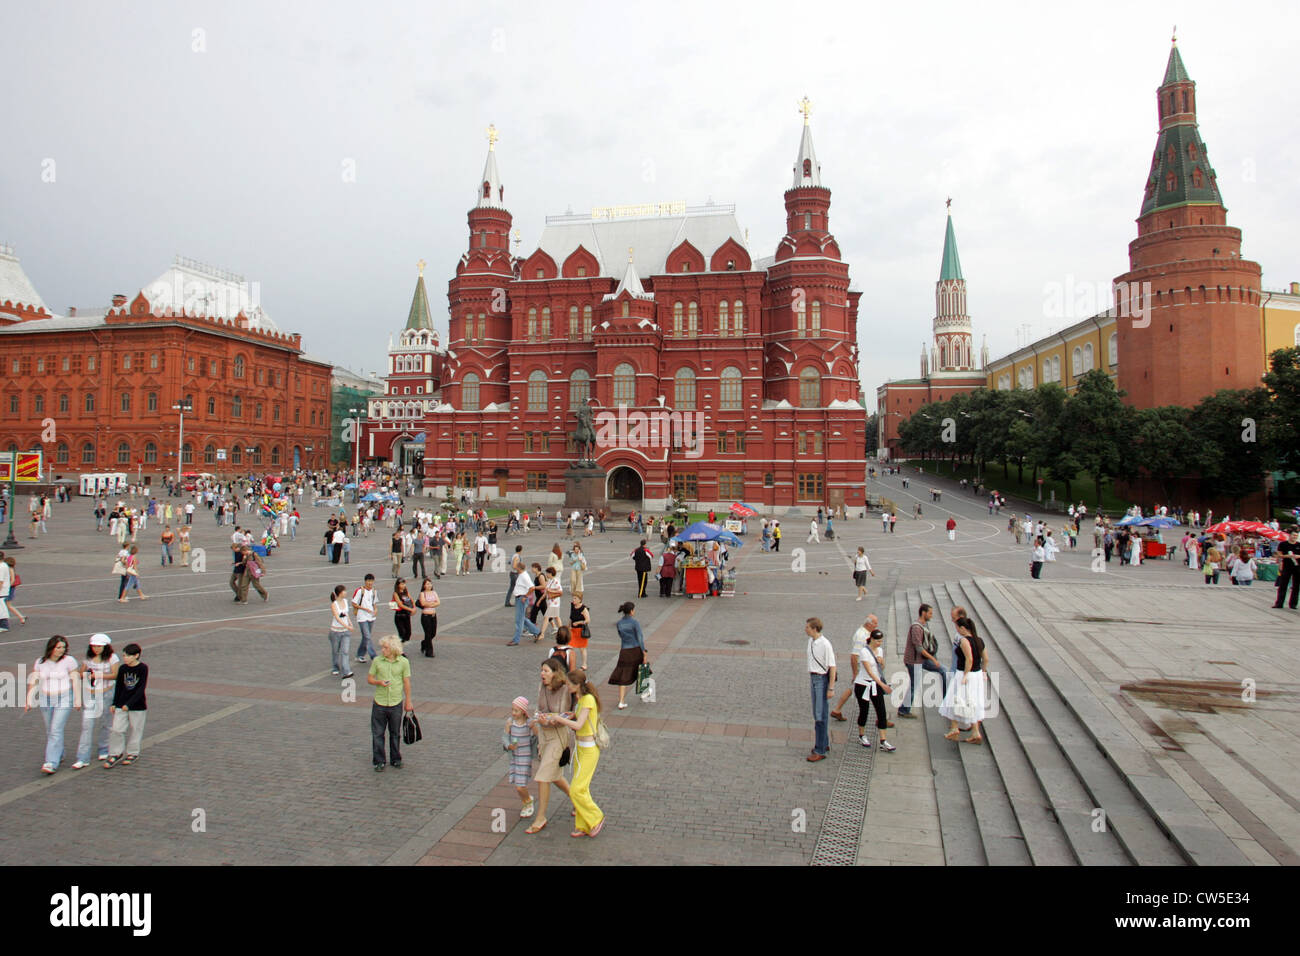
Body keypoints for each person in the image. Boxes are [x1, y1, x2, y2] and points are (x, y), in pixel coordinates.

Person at [547, 667, 605, 837]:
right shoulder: (581, 699)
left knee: (576, 789)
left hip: (589, 750)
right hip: (580, 748)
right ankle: (582, 825)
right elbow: (579, 719)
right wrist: (568, 715)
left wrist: (560, 719)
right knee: (582, 788)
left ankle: (596, 817)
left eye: (570, 684)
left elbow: (579, 725)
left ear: (578, 684)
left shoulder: (587, 699)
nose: (567, 687)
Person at [527, 659, 574, 835]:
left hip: (558, 736)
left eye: (546, 671)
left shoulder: (563, 690)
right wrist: (538, 717)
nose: (542, 674)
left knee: (543, 776)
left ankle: (541, 817)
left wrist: (547, 718)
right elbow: (538, 709)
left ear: (555, 672)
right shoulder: (542, 687)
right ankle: (578, 802)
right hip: (544, 735)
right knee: (554, 776)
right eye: (541, 671)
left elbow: (564, 715)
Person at [26, 635, 81, 774]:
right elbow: (34, 680)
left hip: (64, 697)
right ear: (51, 648)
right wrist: (29, 698)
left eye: (63, 647)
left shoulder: (69, 661)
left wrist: (77, 699)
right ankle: (59, 753)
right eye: (58, 647)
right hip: (46, 698)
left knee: (55, 729)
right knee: (50, 730)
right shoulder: (40, 662)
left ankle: (51, 762)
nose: (61, 650)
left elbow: (75, 680)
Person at [73, 634, 120, 769]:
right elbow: (80, 674)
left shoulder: (112, 658)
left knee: (106, 722)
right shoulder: (88, 658)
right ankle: (83, 757)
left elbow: (115, 674)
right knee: (87, 726)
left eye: (99, 646)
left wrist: (98, 675)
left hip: (107, 693)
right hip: (91, 694)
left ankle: (104, 748)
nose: (96, 649)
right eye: (94, 646)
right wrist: (86, 674)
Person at [367, 635, 413, 771]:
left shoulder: (403, 662)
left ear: (393, 649)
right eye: (382, 647)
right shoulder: (377, 661)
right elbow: (370, 678)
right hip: (379, 703)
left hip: (395, 703)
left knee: (395, 733)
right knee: (378, 733)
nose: (382, 650)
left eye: (385, 647)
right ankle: (379, 761)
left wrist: (408, 701)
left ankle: (395, 759)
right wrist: (378, 682)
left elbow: (406, 682)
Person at [939, 617, 987, 744]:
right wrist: (984, 671)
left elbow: (969, 659)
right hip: (976, 675)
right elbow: (986, 659)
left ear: (963, 628)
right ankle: (975, 732)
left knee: (954, 698)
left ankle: (955, 728)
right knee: (972, 701)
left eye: (957, 627)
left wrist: (965, 675)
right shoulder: (979, 640)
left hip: (965, 674)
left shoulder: (964, 641)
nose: (956, 630)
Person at [102, 642, 148, 767]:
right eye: (124, 656)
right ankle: (116, 753)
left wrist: (129, 704)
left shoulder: (143, 668)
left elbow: (140, 689)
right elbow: (119, 687)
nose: (125, 658)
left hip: (137, 706)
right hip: (121, 705)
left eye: (128, 656)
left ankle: (133, 753)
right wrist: (114, 703)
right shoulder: (123, 669)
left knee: (136, 730)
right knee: (117, 729)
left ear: (136, 656)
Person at [899, 603, 946, 718]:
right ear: (923, 613)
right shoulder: (916, 627)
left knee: (944, 670)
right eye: (930, 613)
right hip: (914, 661)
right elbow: (918, 647)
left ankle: (946, 699)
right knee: (914, 685)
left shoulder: (923, 625)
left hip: (921, 659)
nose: (931, 615)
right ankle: (904, 710)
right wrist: (933, 658)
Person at [830, 615, 878, 722]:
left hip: (864, 669)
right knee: (876, 691)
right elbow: (854, 656)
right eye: (875, 623)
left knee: (852, 689)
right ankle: (881, 717)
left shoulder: (865, 633)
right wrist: (855, 673)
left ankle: (837, 710)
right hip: (863, 670)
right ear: (869, 624)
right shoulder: (862, 636)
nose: (876, 625)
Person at [855, 630, 896, 751]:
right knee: (864, 710)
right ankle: (861, 735)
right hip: (863, 684)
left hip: (875, 684)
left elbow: (879, 669)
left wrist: (882, 662)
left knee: (881, 711)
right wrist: (883, 685)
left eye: (881, 641)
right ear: (871, 639)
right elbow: (869, 671)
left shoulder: (880, 651)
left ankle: (883, 740)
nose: (879, 643)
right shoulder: (864, 652)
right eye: (878, 640)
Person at [805, 617, 836, 762]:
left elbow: (832, 666)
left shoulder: (825, 644)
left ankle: (820, 749)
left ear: (815, 628)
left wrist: (831, 688)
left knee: (820, 714)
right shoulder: (811, 641)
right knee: (818, 711)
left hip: (821, 679)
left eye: (808, 627)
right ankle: (824, 742)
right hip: (813, 678)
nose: (805, 630)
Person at [608, 601, 647, 710]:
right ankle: (644, 692)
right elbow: (640, 637)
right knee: (641, 670)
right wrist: (644, 651)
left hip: (625, 650)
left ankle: (621, 701)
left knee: (623, 674)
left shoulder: (620, 623)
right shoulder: (635, 623)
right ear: (631, 611)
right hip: (635, 649)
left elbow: (621, 635)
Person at [504, 696, 538, 819]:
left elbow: (537, 735)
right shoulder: (510, 722)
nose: (513, 713)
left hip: (525, 756)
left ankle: (528, 803)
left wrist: (534, 727)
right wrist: (508, 745)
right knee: (518, 784)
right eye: (512, 710)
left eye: (516, 711)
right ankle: (526, 801)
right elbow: (505, 737)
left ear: (523, 711)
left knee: (520, 785)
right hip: (515, 757)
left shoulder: (528, 723)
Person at [508, 564, 542, 645]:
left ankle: (516, 640)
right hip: (519, 598)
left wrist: (526, 596)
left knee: (519, 620)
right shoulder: (521, 575)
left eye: (516, 567)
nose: (515, 569)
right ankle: (536, 631)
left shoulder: (524, 576)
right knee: (522, 618)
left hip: (521, 598)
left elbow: (532, 587)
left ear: (520, 568)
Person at [329, 585, 354, 678]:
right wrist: (347, 625)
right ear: (339, 593)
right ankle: (335, 667)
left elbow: (346, 614)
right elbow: (337, 617)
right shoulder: (334, 604)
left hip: (345, 632)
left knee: (345, 651)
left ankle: (346, 671)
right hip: (335, 631)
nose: (346, 592)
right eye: (344, 591)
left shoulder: (346, 601)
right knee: (335, 651)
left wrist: (350, 624)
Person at [352, 574, 380, 662]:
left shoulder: (374, 591)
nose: (370, 583)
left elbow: (374, 603)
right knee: (367, 636)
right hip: (362, 617)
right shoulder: (360, 591)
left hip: (371, 616)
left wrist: (375, 610)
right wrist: (364, 608)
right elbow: (354, 603)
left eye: (371, 581)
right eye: (368, 581)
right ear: (365, 581)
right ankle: (373, 655)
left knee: (366, 637)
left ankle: (360, 655)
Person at [1273, 528, 1299, 609]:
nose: (1295, 537)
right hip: (1287, 566)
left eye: (1296, 535)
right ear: (1289, 535)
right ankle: (1279, 603)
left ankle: (1293, 604)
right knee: (1283, 585)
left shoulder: (1299, 545)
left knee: (1296, 586)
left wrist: (1298, 556)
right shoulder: (1283, 544)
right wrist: (1288, 556)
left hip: (1297, 567)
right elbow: (1279, 555)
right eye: (1293, 535)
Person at [568, 591, 592, 670]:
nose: (573, 600)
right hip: (573, 631)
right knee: (569, 647)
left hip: (580, 631)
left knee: (582, 648)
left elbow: (588, 620)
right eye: (573, 598)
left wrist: (578, 622)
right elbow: (570, 617)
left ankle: (584, 664)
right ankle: (569, 662)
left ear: (580, 599)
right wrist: (568, 627)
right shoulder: (572, 605)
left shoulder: (583, 608)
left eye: (575, 598)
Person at [417, 577, 440, 658]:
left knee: (433, 633)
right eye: (427, 584)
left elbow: (438, 602)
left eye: (430, 583)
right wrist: (432, 603)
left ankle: (424, 643)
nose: (429, 585)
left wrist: (429, 604)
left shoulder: (434, 592)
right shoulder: (422, 594)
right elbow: (423, 603)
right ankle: (429, 651)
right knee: (428, 633)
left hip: (433, 615)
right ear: (424, 586)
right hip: (426, 616)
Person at [392, 578, 416, 648]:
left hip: (406, 615)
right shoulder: (396, 593)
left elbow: (411, 600)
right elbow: (400, 604)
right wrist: (410, 609)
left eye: (404, 584)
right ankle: (399, 649)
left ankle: (397, 644)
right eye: (402, 584)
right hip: (399, 615)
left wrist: (414, 607)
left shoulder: (406, 592)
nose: (403, 585)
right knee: (402, 633)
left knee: (408, 634)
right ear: (398, 585)